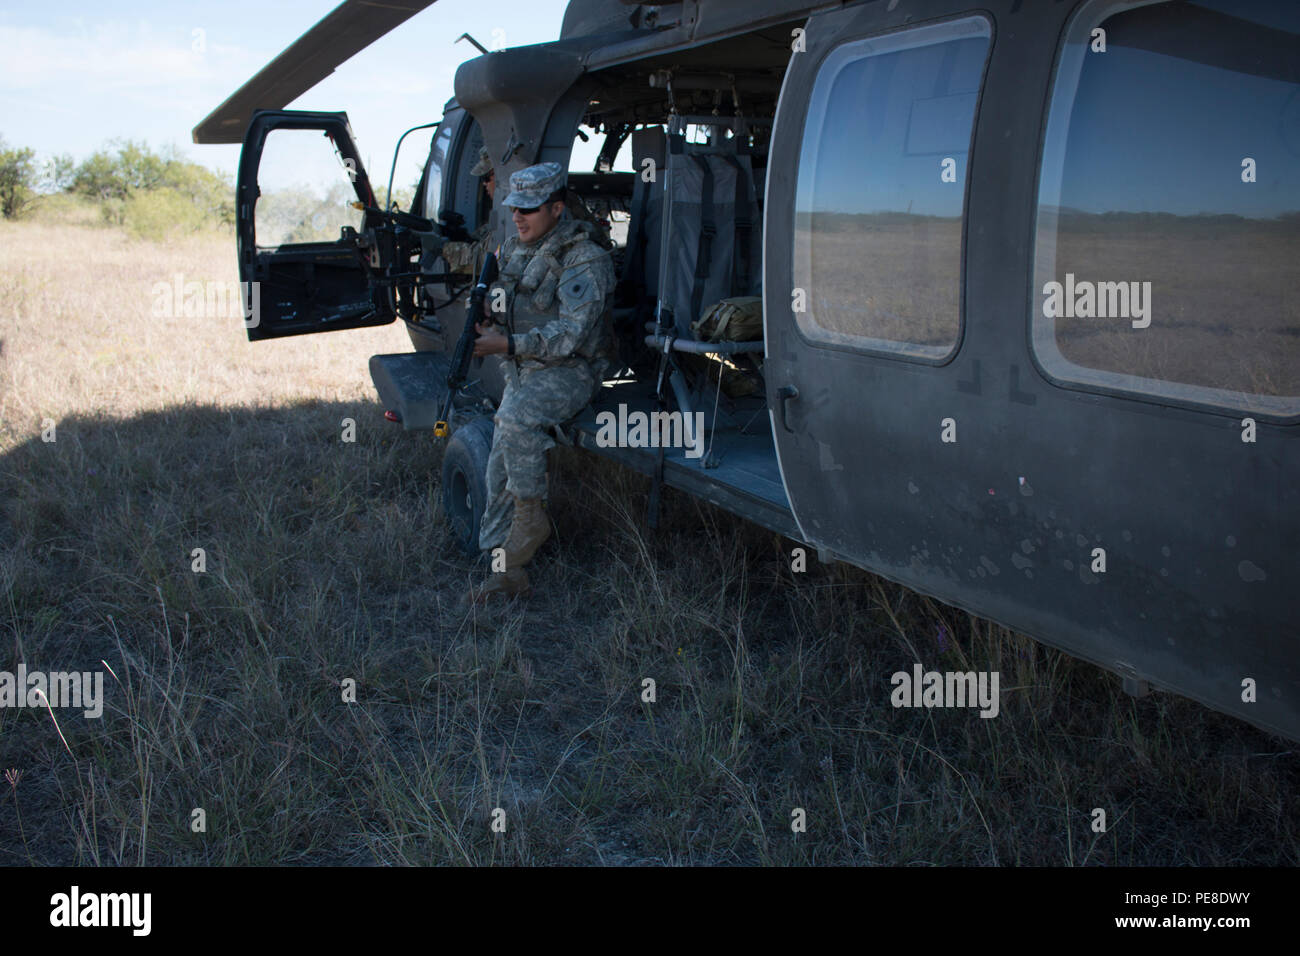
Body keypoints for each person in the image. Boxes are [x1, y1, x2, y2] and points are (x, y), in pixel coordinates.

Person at [468, 161, 615, 601]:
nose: (518, 217)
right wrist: (489, 314)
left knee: (514, 421)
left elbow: (571, 336)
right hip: (525, 369)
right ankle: (502, 569)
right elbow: (506, 298)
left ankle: (531, 518)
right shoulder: (514, 249)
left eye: (529, 209)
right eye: (515, 208)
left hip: (572, 370)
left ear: (556, 208)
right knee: (497, 474)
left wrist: (507, 345)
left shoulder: (585, 259)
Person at [440, 147, 497, 277]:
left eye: (486, 178)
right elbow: (480, 239)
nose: (484, 184)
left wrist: (443, 248)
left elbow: (488, 259)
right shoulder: (500, 216)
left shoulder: (516, 216)